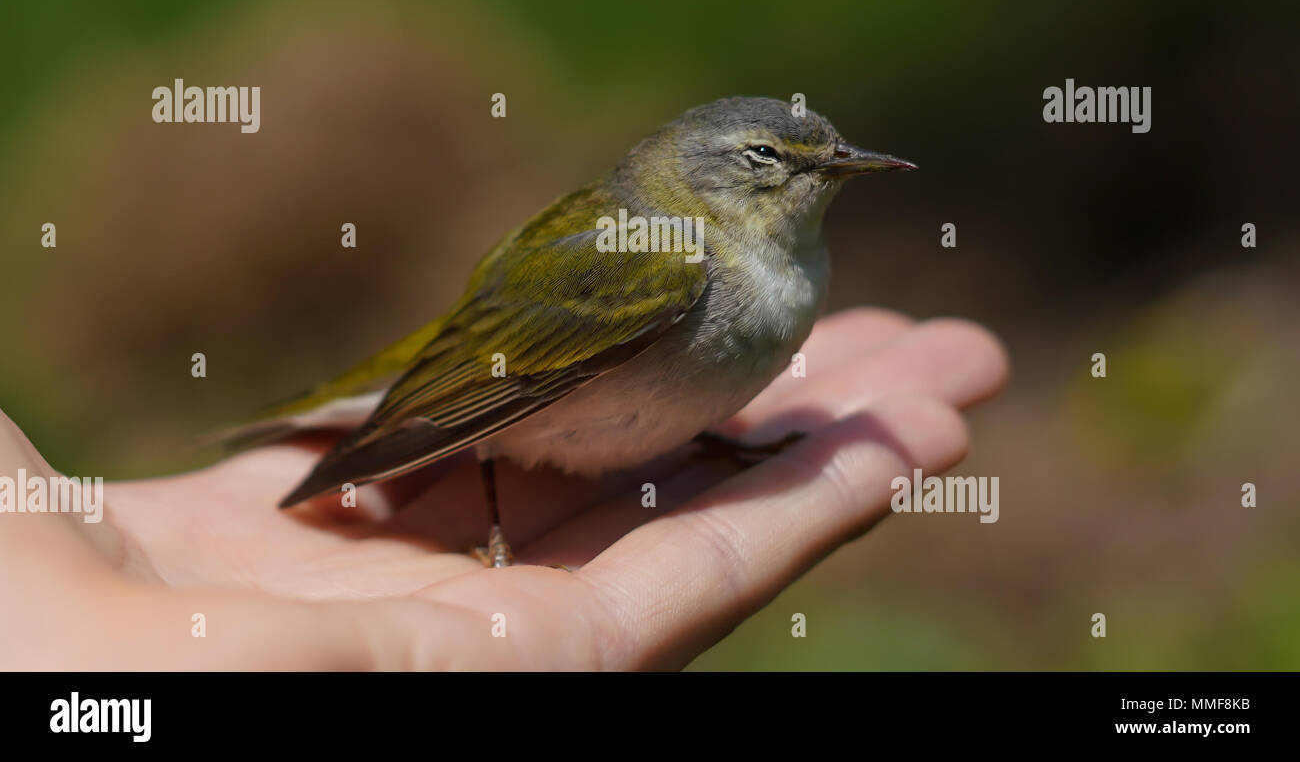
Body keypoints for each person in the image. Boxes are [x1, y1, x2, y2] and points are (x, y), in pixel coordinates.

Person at [0, 309, 1007, 670]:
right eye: (764, 166)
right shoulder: (655, 266)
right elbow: (501, 381)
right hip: (474, 380)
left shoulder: (759, 275)